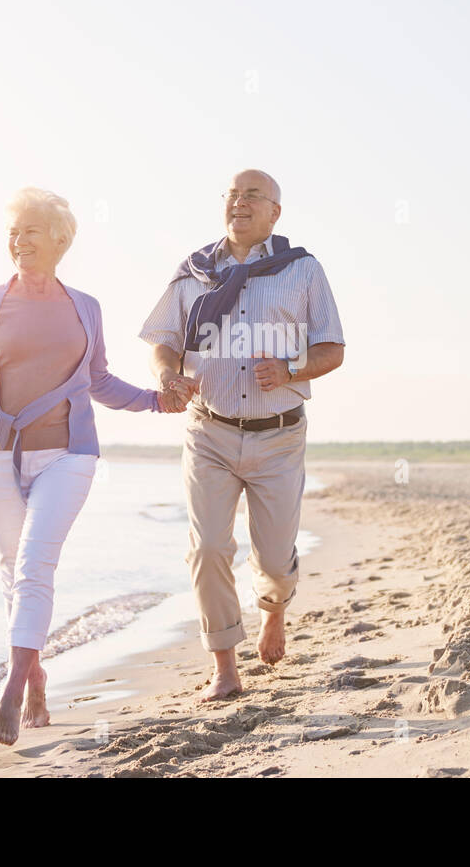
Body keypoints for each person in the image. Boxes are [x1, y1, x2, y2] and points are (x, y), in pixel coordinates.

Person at [0, 187, 192, 744]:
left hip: (68, 455)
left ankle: (10, 692)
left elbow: (97, 381)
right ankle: (36, 674)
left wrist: (154, 399)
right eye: (12, 232)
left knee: (33, 566)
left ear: (59, 239)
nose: (18, 241)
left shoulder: (85, 307)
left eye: (29, 230)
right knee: (11, 569)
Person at [139, 169, 345, 701]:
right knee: (208, 547)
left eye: (253, 195)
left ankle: (273, 610)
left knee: (274, 559)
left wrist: (291, 367)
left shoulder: (301, 270)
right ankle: (225, 668)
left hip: (278, 436)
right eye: (232, 194)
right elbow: (163, 338)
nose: (240, 202)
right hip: (209, 431)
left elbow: (333, 348)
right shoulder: (194, 272)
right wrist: (166, 375)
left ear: (275, 212)